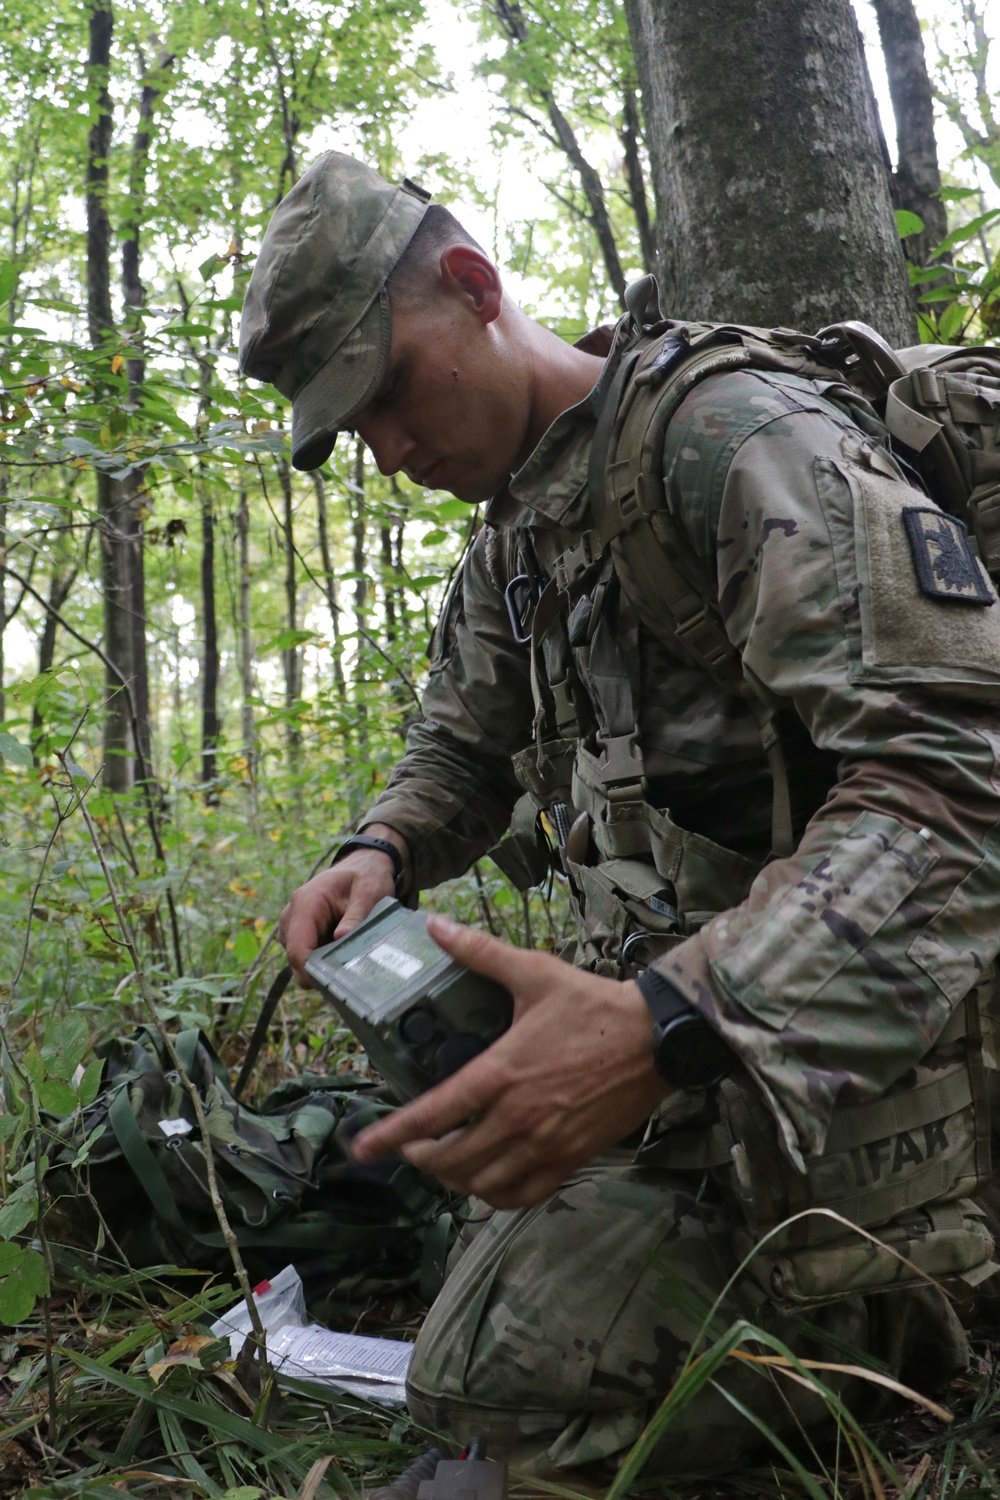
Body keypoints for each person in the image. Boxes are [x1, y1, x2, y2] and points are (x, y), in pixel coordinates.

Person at [239, 150, 1000, 1478]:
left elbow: (958, 776)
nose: (392, 449)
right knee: (461, 1200)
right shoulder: (518, 537)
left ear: (475, 288)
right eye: (355, 433)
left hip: (871, 1062)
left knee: (509, 1388)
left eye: (390, 394)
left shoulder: (737, 443)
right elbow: (460, 744)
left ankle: (931, 1308)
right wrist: (383, 847)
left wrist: (666, 1021)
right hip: (703, 1040)